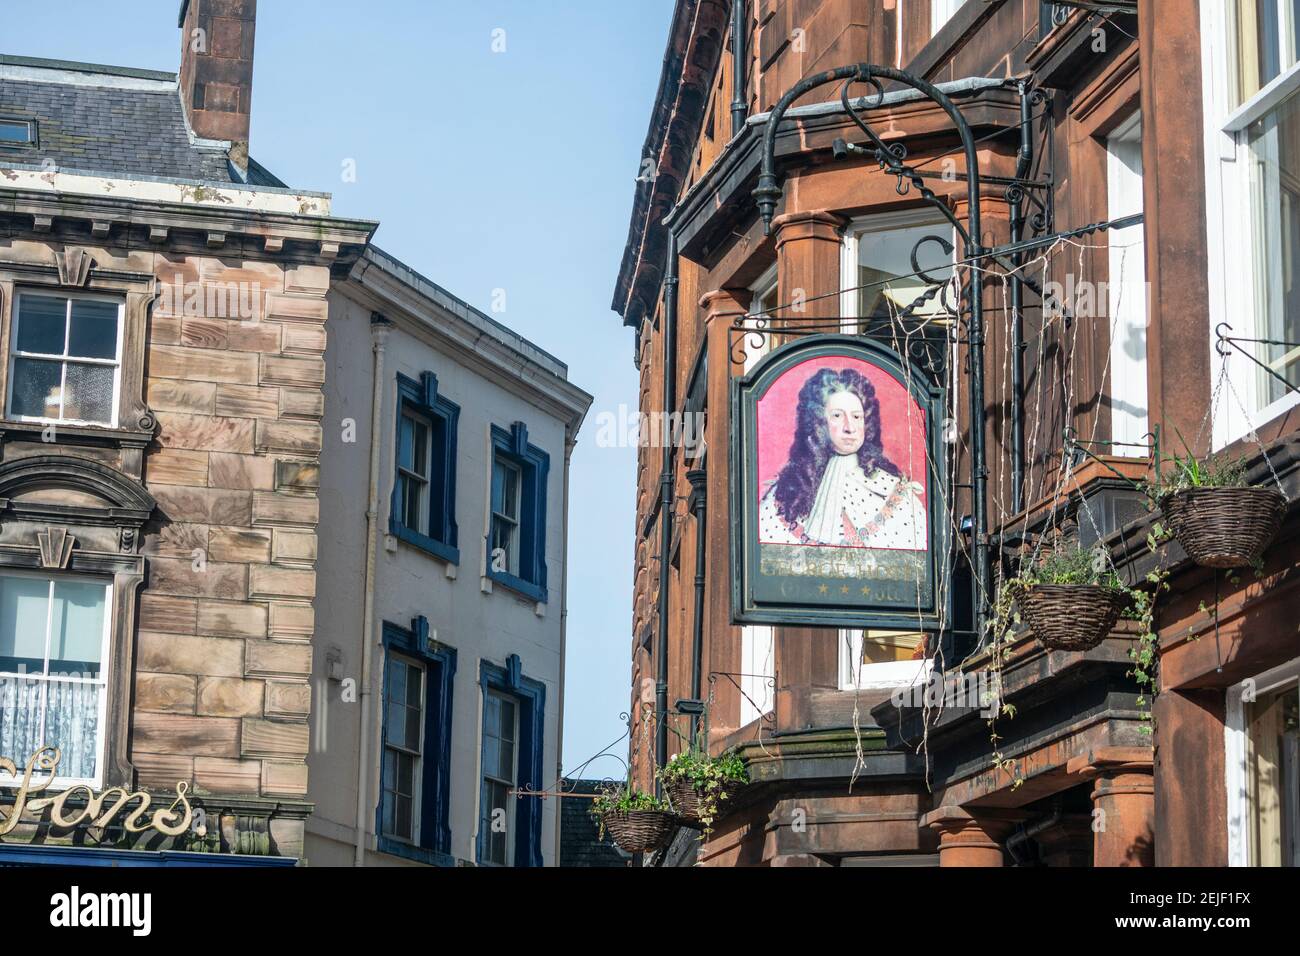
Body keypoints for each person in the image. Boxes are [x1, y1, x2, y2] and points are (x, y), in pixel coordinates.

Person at [759, 367, 926, 550]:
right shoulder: (785, 492)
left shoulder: (896, 491)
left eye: (856, 417)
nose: (849, 427)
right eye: (837, 416)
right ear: (818, 421)